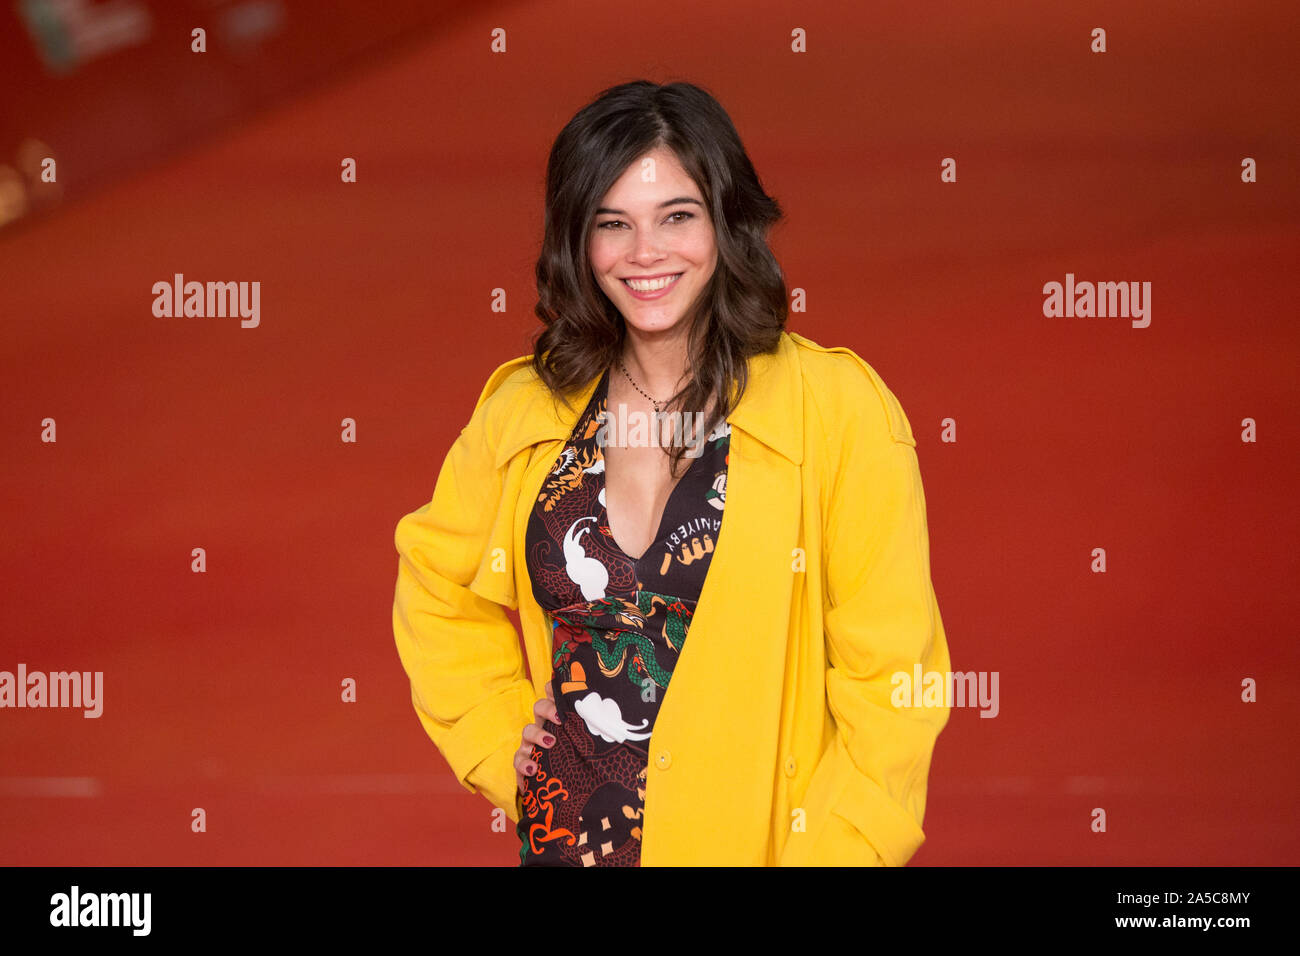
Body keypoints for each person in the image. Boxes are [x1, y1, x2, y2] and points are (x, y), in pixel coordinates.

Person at [392, 79, 951, 866]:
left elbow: (895, 679)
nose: (645, 254)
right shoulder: (528, 410)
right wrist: (495, 735)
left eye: (676, 217)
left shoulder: (836, 412)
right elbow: (435, 579)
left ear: (727, 223)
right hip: (568, 845)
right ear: (576, 241)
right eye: (612, 224)